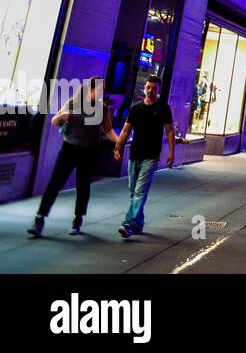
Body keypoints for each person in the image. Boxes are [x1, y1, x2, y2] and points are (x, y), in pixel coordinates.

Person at [28, 78, 117, 237]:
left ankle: (78, 219)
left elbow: (108, 129)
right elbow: (55, 121)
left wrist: (119, 143)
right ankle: (39, 219)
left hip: (89, 150)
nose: (101, 92)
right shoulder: (72, 103)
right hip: (69, 148)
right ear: (89, 89)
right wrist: (63, 116)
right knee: (55, 183)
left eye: (102, 90)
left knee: (83, 185)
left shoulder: (102, 108)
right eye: (99, 89)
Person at [113, 75, 175, 238]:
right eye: (148, 87)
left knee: (140, 192)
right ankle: (139, 223)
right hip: (134, 154)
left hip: (151, 156)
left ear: (158, 90)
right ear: (144, 88)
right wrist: (118, 146)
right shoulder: (136, 108)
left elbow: (170, 131)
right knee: (133, 191)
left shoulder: (163, 108)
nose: (150, 91)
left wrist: (171, 152)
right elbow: (126, 130)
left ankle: (129, 224)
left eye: (154, 88)